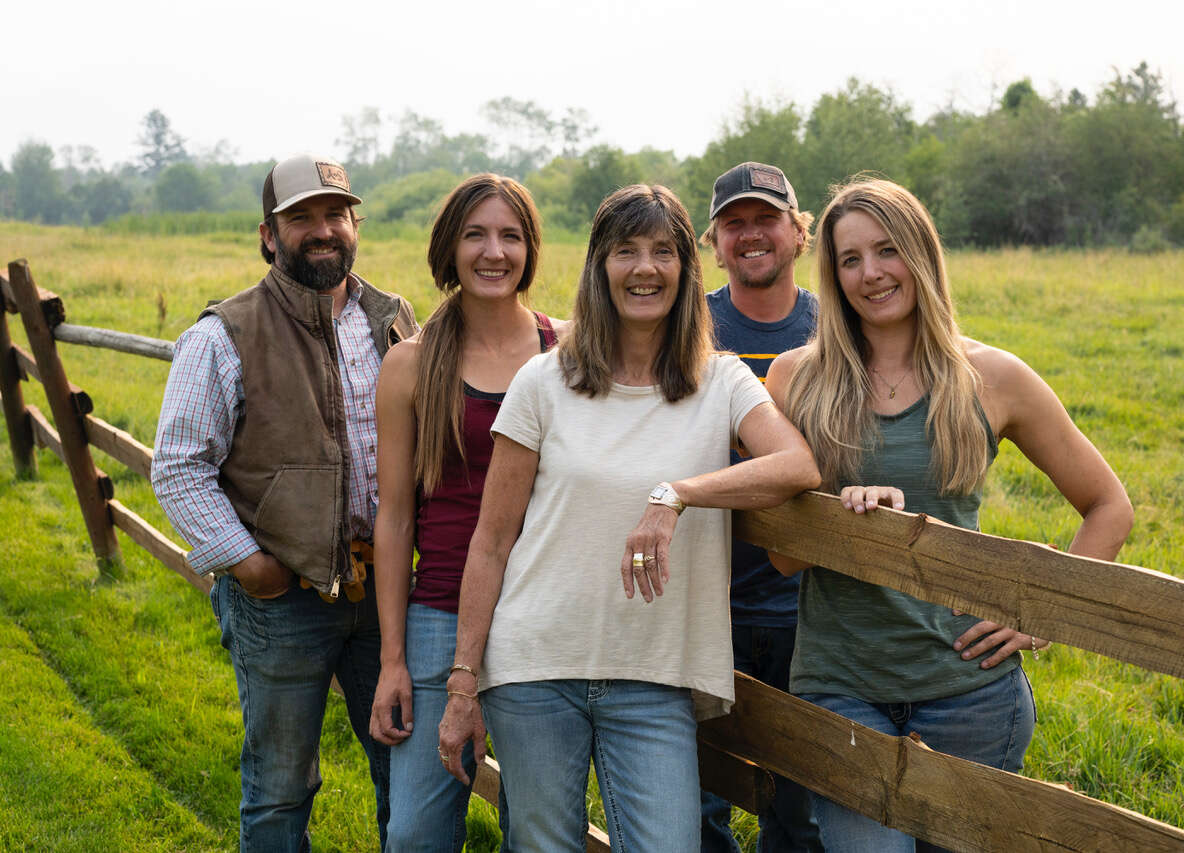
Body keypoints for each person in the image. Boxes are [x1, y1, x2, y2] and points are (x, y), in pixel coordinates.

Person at [437, 184, 821, 852]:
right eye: (626, 251)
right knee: (542, 843)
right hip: (535, 666)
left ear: (685, 267)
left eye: (664, 251)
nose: (646, 267)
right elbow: (492, 543)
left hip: (656, 672)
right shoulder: (543, 381)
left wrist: (677, 492)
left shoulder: (721, 381)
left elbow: (797, 465)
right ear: (599, 267)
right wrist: (463, 683)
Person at [765, 177, 1134, 852]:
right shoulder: (796, 378)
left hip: (970, 688)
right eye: (850, 259)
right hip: (842, 682)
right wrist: (845, 521)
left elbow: (1109, 505)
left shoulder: (993, 377)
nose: (871, 273)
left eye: (886, 250)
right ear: (833, 271)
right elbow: (783, 554)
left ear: (921, 254)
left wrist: (1039, 612)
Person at [152, 153, 417, 851]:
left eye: (335, 214)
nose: (322, 229)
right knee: (279, 787)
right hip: (282, 598)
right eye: (301, 217)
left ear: (355, 224)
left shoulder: (395, 319)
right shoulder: (224, 333)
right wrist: (249, 564)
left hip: (386, 589)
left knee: (408, 775)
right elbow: (179, 468)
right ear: (269, 234)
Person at [368, 174, 564, 852]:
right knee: (417, 832)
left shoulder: (565, 351)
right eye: (476, 234)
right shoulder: (411, 364)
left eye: (510, 235)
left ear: (531, 248)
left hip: (543, 614)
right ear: (449, 246)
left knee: (540, 830)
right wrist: (392, 658)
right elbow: (394, 520)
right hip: (441, 612)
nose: (493, 251)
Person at [698, 162, 823, 853]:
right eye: (733, 223)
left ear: (798, 232)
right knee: (696, 793)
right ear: (714, 242)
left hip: (810, 602)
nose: (751, 235)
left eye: (766, 218)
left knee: (800, 803)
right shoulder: (686, 326)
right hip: (703, 595)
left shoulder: (835, 329)